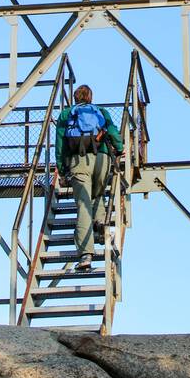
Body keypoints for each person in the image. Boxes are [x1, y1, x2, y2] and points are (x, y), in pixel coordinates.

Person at [55, 85, 124, 273]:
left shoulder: (66, 114)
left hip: (78, 161)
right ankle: (100, 221)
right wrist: (119, 148)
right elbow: (111, 130)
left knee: (83, 205)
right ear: (91, 97)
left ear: (76, 98)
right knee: (99, 191)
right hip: (102, 158)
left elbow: (60, 143)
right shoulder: (101, 111)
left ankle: (86, 255)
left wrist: (62, 170)